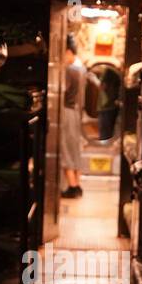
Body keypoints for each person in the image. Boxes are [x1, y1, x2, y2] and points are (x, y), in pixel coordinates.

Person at [60, 34, 86, 198]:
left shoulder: (71, 69)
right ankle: (77, 183)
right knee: (74, 148)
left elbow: (62, 91)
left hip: (67, 111)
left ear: (68, 52)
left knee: (66, 148)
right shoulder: (81, 67)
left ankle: (72, 186)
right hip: (76, 112)